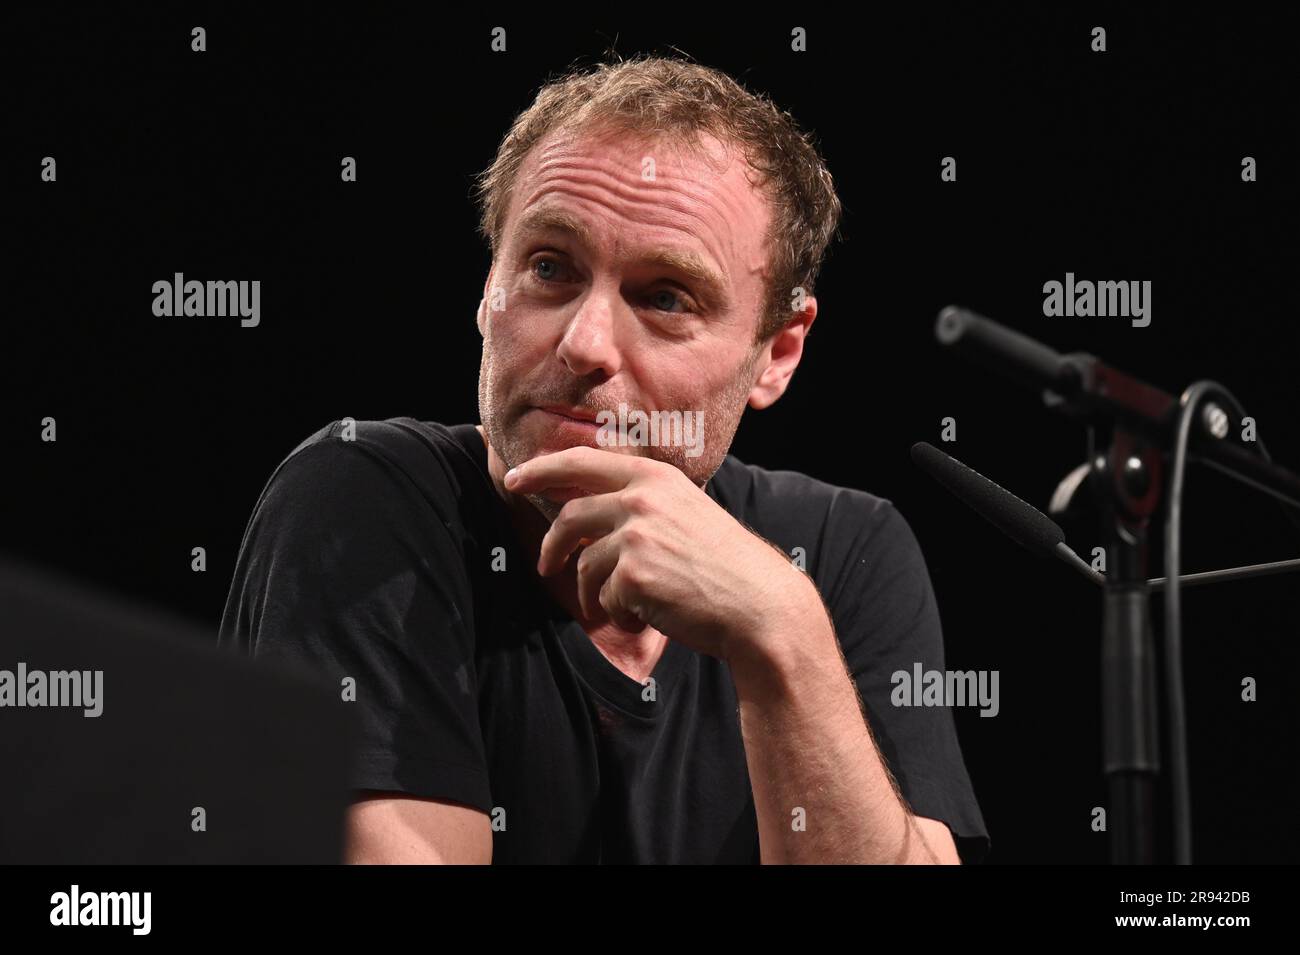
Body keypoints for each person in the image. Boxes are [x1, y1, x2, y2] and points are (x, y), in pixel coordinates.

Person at [219, 55, 989, 864]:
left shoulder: (843, 549)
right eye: (550, 267)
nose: (583, 343)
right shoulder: (362, 499)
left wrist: (784, 634)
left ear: (778, 352)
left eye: (664, 296)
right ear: (489, 290)